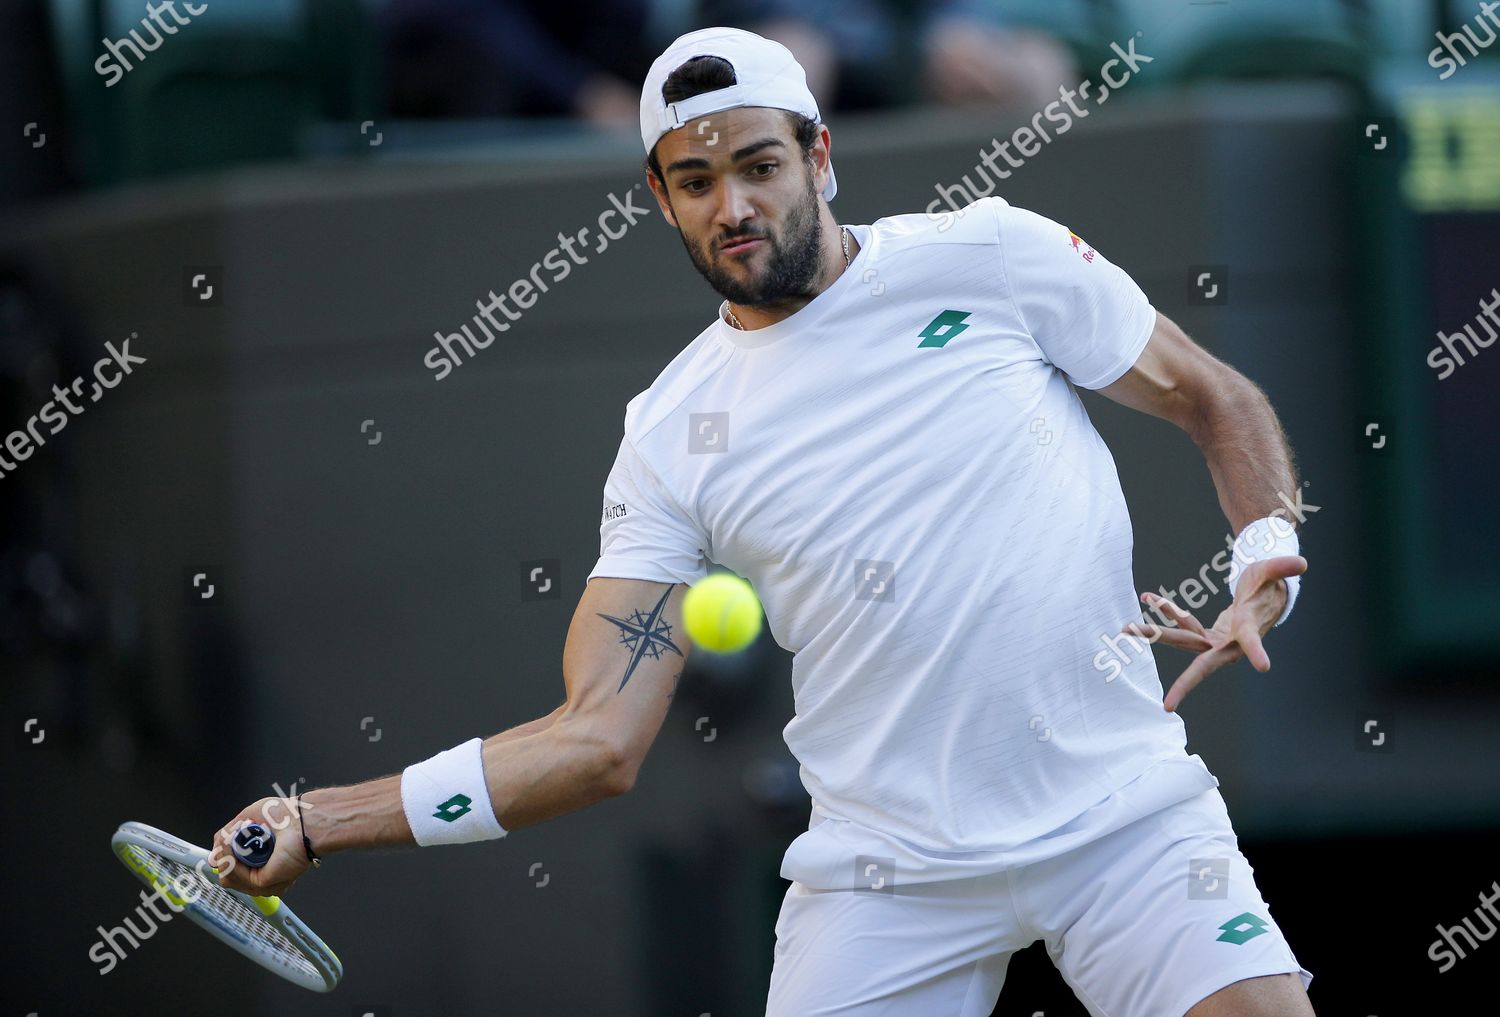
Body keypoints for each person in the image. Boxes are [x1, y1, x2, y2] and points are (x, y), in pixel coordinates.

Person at [213, 26, 1316, 1017]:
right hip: (885, 880)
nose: (732, 207)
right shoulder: (666, 435)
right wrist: (321, 820)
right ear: (659, 196)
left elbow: (1208, 395)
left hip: (1125, 818)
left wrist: (1266, 551)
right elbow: (595, 742)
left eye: (759, 166)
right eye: (695, 181)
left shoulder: (992, 255)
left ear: (820, 157)